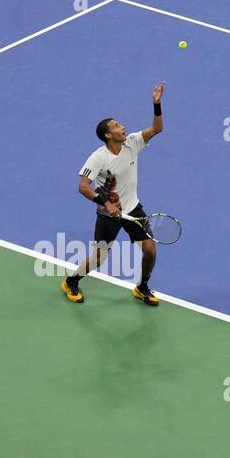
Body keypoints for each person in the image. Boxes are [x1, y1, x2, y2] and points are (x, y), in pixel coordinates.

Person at [62, 82, 167, 305]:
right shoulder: (98, 157)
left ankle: (142, 287)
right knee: (100, 257)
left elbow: (157, 129)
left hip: (132, 209)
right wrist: (106, 204)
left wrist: (156, 104)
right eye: (117, 126)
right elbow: (83, 186)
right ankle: (71, 281)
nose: (123, 127)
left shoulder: (132, 143)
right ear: (109, 135)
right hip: (108, 214)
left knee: (150, 250)